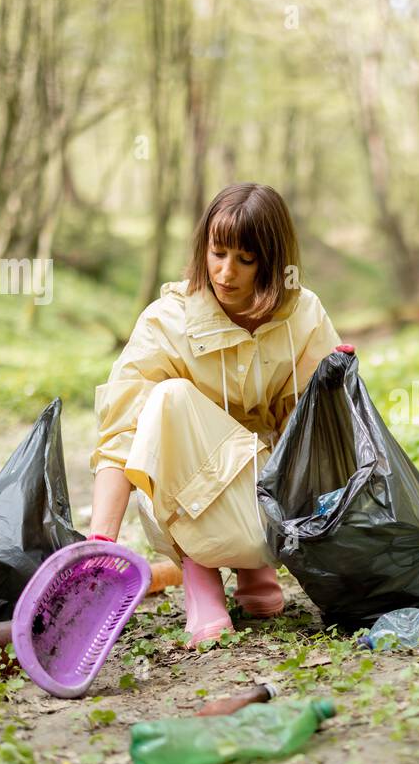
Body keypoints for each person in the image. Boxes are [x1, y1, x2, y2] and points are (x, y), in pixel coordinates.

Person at [87, 183, 342, 645]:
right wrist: (100, 541)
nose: (225, 273)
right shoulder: (167, 321)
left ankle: (255, 567)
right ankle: (202, 579)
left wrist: (334, 385)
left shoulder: (302, 315)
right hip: (182, 499)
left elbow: (313, 433)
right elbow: (120, 432)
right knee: (169, 400)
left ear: (272, 260)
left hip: (272, 507)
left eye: (245, 260)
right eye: (217, 252)